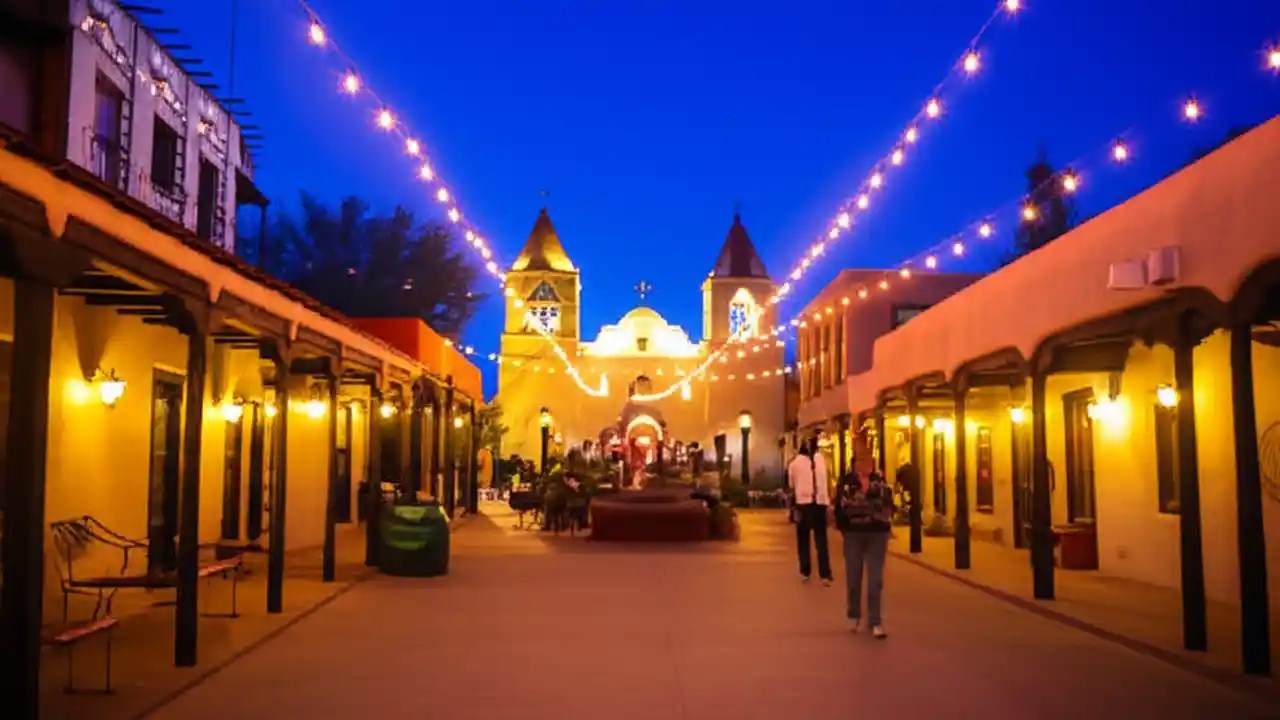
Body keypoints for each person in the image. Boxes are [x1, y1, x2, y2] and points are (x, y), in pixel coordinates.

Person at [834, 463, 895, 639]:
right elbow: (841, 508)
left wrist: (881, 520)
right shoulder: (847, 483)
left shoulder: (880, 483)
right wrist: (846, 527)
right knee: (854, 577)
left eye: (868, 458)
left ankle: (875, 622)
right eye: (862, 459)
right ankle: (854, 615)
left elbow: (887, 506)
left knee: (875, 580)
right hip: (853, 535)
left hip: (877, 536)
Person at [787, 436, 832, 585]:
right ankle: (825, 574)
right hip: (820, 503)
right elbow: (826, 480)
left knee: (803, 539)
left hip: (803, 503)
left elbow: (791, 484)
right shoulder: (821, 459)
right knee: (821, 540)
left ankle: (805, 570)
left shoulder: (794, 463)